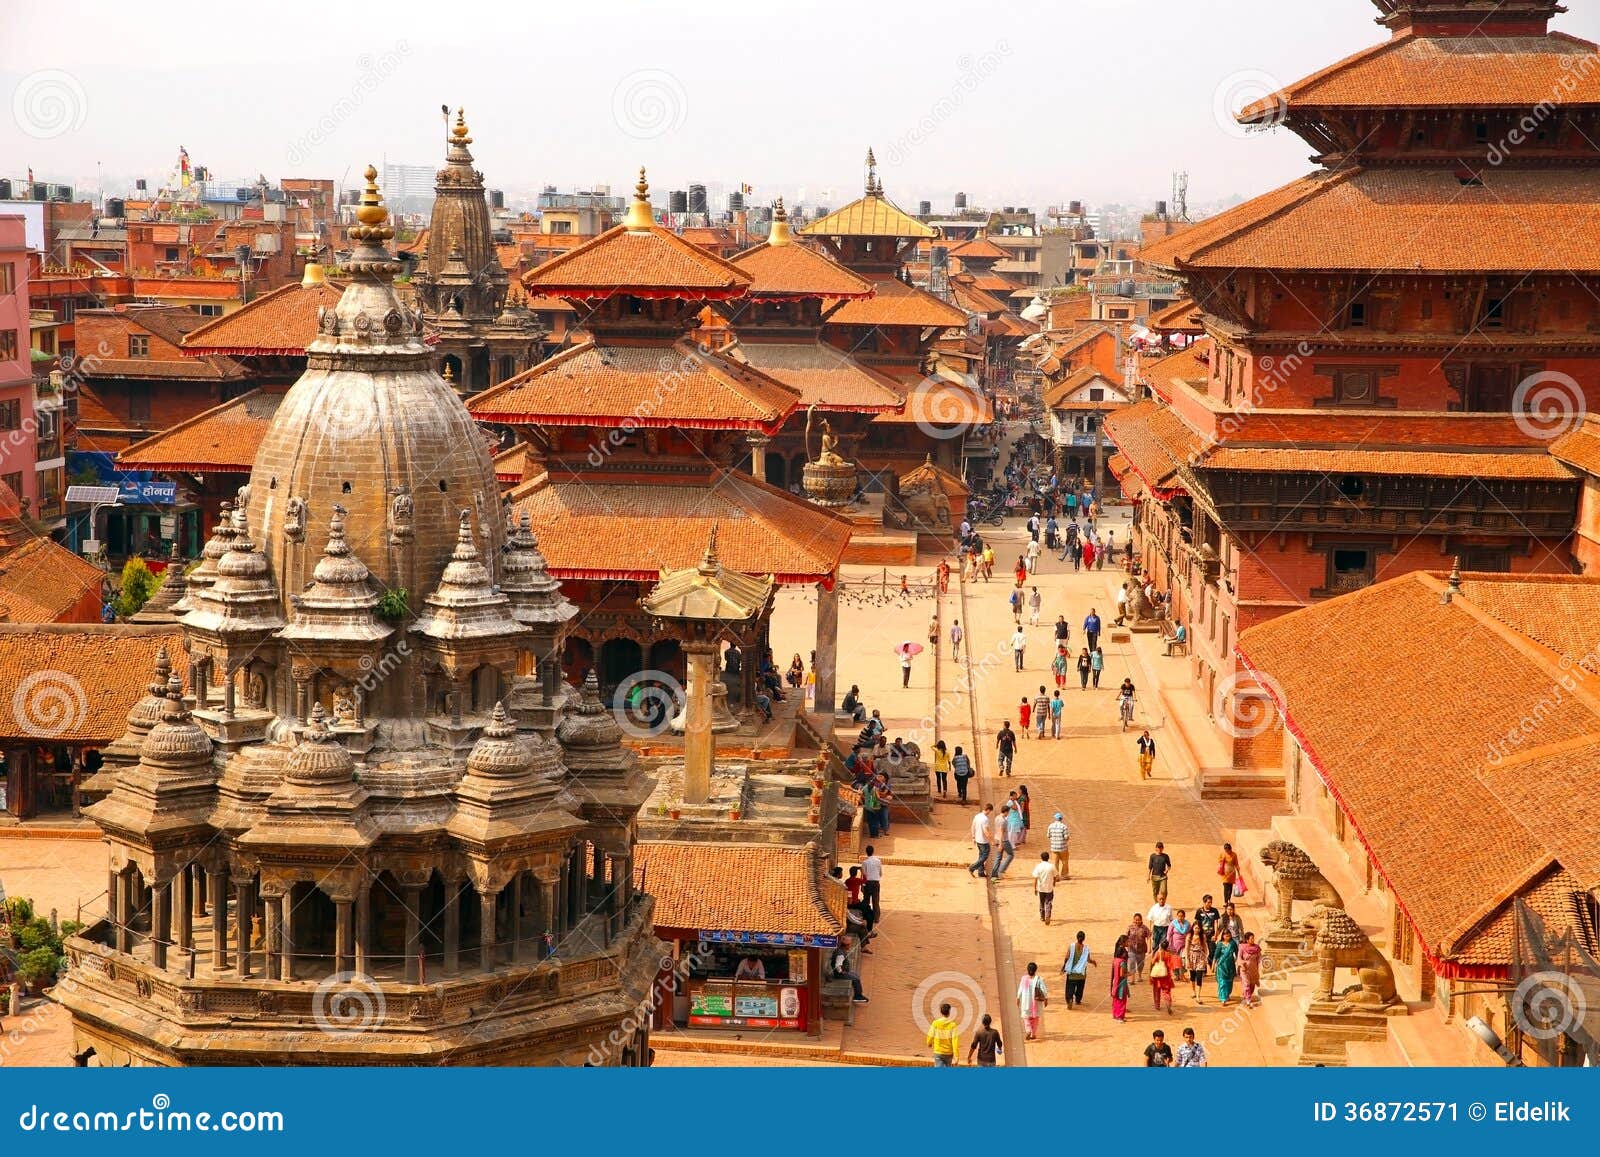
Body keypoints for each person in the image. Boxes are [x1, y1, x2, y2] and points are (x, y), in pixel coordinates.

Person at [830, 939, 869, 1003]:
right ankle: (858, 997)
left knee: (856, 975)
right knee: (856, 979)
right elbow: (837, 965)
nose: (850, 946)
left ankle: (858, 995)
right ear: (846, 946)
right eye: (849, 945)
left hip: (844, 972)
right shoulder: (840, 955)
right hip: (840, 974)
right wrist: (841, 972)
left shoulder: (840, 950)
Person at [1017, 961, 1048, 1041]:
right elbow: (1044, 990)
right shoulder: (1039, 979)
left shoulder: (1024, 979)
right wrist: (1046, 999)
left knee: (1026, 1018)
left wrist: (1018, 998)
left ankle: (1028, 1030)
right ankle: (1033, 1034)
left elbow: (1020, 989)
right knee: (1035, 1019)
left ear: (1028, 969)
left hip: (1026, 1002)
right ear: (1035, 970)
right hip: (1036, 1003)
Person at [1062, 931, 1094, 1006]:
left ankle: (1070, 999)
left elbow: (1066, 958)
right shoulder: (1086, 948)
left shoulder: (1071, 946)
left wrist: (1064, 967)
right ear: (1084, 939)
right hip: (1081, 973)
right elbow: (1088, 960)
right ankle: (1078, 1000)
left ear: (1077, 937)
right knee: (1080, 987)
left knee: (1070, 987)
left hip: (1072, 973)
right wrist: (1094, 962)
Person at [927, 1001, 960, 1065]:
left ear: (941, 1012)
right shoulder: (953, 1025)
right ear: (949, 1012)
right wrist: (956, 1055)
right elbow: (955, 1041)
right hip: (949, 1053)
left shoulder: (935, 1023)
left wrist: (929, 1043)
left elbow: (930, 1035)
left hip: (938, 1051)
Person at [1184, 922, 1210, 1004]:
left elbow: (1205, 947)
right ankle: (1193, 991)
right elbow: (1186, 948)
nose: (1197, 930)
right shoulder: (1189, 936)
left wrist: (1206, 956)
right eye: (1195, 928)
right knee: (1192, 976)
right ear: (1192, 928)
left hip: (1200, 957)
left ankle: (1198, 996)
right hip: (1191, 957)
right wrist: (1187, 960)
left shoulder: (1203, 936)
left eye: (1198, 928)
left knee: (1199, 976)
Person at [1212, 928, 1239, 1006]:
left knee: (1229, 982)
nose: (1228, 937)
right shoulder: (1220, 944)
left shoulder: (1233, 943)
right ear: (1223, 936)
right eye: (1226, 936)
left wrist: (1236, 961)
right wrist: (1213, 965)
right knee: (1222, 982)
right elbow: (1216, 955)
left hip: (1230, 966)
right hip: (1221, 966)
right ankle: (1223, 999)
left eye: (1229, 935)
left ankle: (1227, 995)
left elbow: (1237, 953)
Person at [1149, 942, 1178, 1016]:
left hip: (1157, 975)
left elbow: (1152, 961)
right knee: (1166, 992)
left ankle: (1157, 1005)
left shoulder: (1158, 953)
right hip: (1166, 975)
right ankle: (1168, 1004)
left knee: (1156, 991)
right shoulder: (1169, 954)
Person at [1239, 931, 1264, 1008]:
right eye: (1251, 938)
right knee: (1246, 984)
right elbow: (1239, 958)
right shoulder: (1242, 947)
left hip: (1253, 970)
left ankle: (1247, 995)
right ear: (1247, 940)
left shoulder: (1257, 948)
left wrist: (1262, 964)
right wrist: (1242, 964)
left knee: (1252, 985)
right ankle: (1248, 1000)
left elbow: (1260, 957)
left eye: (1253, 938)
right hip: (1245, 969)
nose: (1253, 940)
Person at [1110, 935, 1131, 1022]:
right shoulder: (1122, 962)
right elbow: (1122, 974)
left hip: (1116, 982)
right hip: (1121, 983)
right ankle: (1120, 1016)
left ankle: (1115, 1014)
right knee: (1121, 1000)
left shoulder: (1115, 960)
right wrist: (1129, 974)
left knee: (1116, 999)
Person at [1125, 913, 1152, 982]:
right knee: (1132, 963)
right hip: (1131, 949)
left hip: (1142, 950)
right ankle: (1132, 978)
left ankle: (1139, 975)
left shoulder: (1145, 928)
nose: (1137, 921)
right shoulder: (1130, 927)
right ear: (1133, 920)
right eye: (1136, 920)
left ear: (1141, 920)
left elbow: (1149, 938)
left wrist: (1149, 948)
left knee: (1140, 964)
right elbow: (1125, 937)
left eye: (1138, 920)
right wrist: (1125, 946)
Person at [968, 802, 992, 876]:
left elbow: (973, 826)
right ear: (988, 810)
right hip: (983, 841)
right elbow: (986, 831)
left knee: (981, 856)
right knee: (984, 856)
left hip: (978, 840)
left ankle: (981, 872)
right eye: (990, 811)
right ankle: (972, 867)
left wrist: (973, 837)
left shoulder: (977, 816)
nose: (990, 813)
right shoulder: (985, 819)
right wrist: (992, 840)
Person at [1032, 852, 1057, 924]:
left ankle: (1042, 916)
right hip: (1049, 888)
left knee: (1041, 902)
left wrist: (1035, 888)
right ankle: (1048, 915)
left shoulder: (1038, 866)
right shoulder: (1051, 866)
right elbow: (1055, 876)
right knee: (1048, 902)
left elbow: (1036, 878)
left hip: (1041, 888)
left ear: (1041, 858)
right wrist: (1054, 883)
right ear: (1048, 858)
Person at [1046, 812, 1070, 879]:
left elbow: (1048, 836)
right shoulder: (1064, 826)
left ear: (1055, 818)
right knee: (1065, 861)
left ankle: (1056, 876)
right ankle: (1064, 875)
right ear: (1061, 819)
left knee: (1055, 862)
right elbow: (1066, 837)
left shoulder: (1050, 826)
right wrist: (1067, 838)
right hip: (1063, 847)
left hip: (1054, 847)